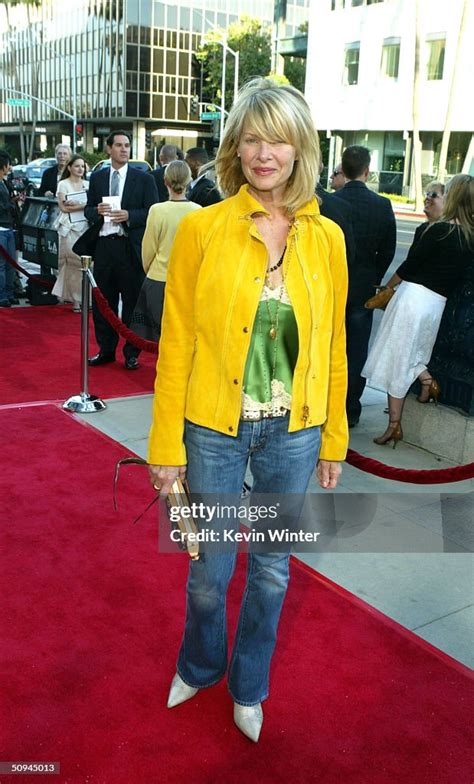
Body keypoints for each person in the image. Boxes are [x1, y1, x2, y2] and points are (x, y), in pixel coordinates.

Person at [147, 78, 348, 743]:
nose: (265, 153)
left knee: (271, 567)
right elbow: (176, 340)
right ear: (236, 146)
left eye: (279, 138)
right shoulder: (204, 228)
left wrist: (334, 439)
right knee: (210, 569)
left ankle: (250, 685)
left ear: (300, 148)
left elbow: (334, 343)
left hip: (294, 430)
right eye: (253, 138)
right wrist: (165, 448)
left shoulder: (329, 239)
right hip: (214, 427)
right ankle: (200, 664)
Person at [362, 174, 474, 447]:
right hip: (437, 305)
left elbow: (409, 266)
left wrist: (385, 289)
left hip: (413, 299)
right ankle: (427, 382)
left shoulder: (438, 230)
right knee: (414, 352)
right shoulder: (469, 238)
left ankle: (394, 425)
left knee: (397, 358)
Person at [84, 130, 158, 369]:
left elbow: (152, 212)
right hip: (104, 246)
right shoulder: (97, 178)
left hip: (129, 247)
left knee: (131, 301)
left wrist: (129, 215)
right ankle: (106, 349)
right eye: (119, 145)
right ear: (109, 149)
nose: (124, 149)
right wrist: (96, 210)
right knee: (103, 301)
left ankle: (131, 352)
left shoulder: (144, 179)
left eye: (127, 145)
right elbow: (87, 210)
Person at [334, 144, 396, 427]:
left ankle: (326, 405)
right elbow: (389, 248)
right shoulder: (381, 206)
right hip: (362, 287)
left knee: (326, 347)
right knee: (356, 351)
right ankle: (350, 408)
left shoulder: (332, 203)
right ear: (367, 171)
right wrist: (375, 277)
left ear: (342, 169)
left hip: (332, 285)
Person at [131, 161, 201, 342]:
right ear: (189, 181)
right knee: (181, 335)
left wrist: (149, 270)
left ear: (165, 182)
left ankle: (139, 360)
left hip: (158, 278)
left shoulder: (157, 210)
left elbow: (148, 249)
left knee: (153, 335)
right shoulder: (198, 211)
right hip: (188, 281)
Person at [51, 154, 89, 312]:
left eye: (82, 166)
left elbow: (92, 205)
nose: (80, 169)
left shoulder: (88, 184)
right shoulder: (63, 184)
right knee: (72, 263)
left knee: (86, 265)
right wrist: (84, 205)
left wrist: (79, 204)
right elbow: (64, 208)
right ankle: (76, 300)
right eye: (77, 166)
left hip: (85, 227)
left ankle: (85, 298)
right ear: (69, 168)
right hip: (68, 228)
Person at [0, 151, 17, 307]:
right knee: (2, 264)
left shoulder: (4, 183)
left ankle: (10, 292)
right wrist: (12, 204)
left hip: (8, 227)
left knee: (11, 262)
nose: (9, 167)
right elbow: (3, 206)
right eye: (8, 164)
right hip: (1, 228)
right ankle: (2, 295)